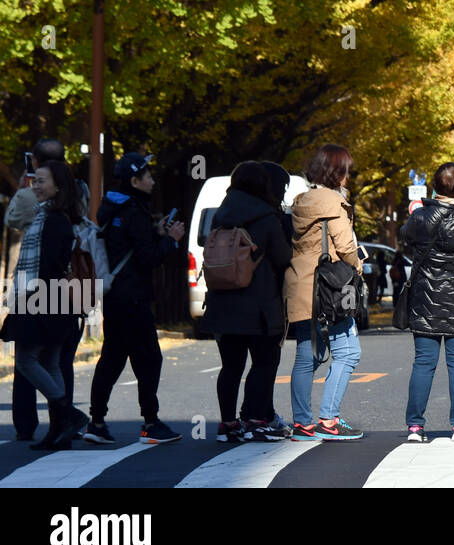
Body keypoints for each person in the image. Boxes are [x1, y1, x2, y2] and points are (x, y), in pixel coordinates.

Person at [86, 153, 187, 445]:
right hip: (134, 297)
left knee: (111, 359)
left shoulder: (111, 207)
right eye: (147, 176)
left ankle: (96, 421)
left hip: (115, 296)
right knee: (149, 359)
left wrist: (155, 233)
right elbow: (147, 258)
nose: (153, 181)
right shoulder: (135, 211)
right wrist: (171, 240)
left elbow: (126, 245)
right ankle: (151, 423)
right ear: (134, 180)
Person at [1, 161, 90, 449]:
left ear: (58, 186)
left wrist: (31, 302)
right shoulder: (49, 215)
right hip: (52, 298)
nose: (35, 186)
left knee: (27, 360)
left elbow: (51, 265)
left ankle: (68, 414)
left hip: (42, 297)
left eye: (41, 181)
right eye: (34, 181)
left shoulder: (53, 219)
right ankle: (59, 430)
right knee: (50, 362)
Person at [202, 162, 292, 443]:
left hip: (222, 302)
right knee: (264, 363)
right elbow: (282, 258)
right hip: (259, 305)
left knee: (231, 366)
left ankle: (228, 424)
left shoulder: (221, 216)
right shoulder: (266, 218)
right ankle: (256, 421)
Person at [401, 162, 454, 442]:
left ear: (435, 187)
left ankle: (415, 426)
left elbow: (405, 237)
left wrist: (416, 212)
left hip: (426, 298)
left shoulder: (421, 217)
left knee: (424, 362)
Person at [286, 144, 364, 441]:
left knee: (307, 356)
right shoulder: (333, 203)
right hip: (331, 287)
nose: (349, 176)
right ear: (337, 171)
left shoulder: (301, 201)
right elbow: (345, 247)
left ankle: (302, 424)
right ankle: (328, 420)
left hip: (301, 284)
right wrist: (358, 267)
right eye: (346, 170)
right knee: (348, 352)